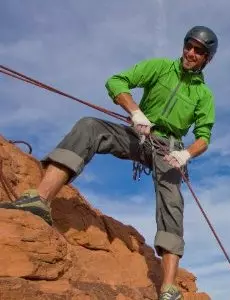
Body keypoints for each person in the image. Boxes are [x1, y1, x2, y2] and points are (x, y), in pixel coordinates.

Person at [0, 25, 218, 300]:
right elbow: (117, 81)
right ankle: (39, 201)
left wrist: (185, 154)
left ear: (207, 58)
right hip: (141, 133)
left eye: (199, 51)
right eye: (189, 46)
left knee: (172, 201)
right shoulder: (160, 68)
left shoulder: (204, 95)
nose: (190, 53)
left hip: (169, 149)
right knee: (90, 126)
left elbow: (204, 137)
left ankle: (168, 288)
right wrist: (136, 112)